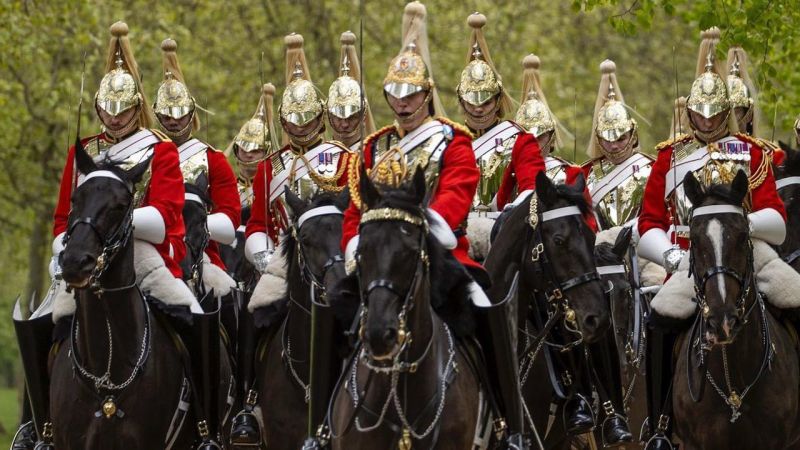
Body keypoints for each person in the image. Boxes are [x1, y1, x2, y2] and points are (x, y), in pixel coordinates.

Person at [340, 3, 527, 448]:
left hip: (440, 255)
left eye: (410, 95)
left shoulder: (453, 142)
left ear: (426, 95)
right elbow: (354, 209)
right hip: (380, 256)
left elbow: (456, 195)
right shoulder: (372, 148)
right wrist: (353, 247)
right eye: (395, 94)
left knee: (485, 307)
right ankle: (324, 422)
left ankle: (508, 422)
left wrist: (423, 229)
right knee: (330, 303)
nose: (402, 104)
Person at [13, 22, 193, 450]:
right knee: (40, 321)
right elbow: (62, 219)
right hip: (87, 249)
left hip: (142, 254)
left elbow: (167, 215)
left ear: (136, 107)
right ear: (98, 108)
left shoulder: (159, 148)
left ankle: (206, 423)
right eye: (107, 108)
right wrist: (72, 242)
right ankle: (35, 426)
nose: (114, 117)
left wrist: (122, 224)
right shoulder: (85, 152)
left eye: (122, 108)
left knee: (193, 314)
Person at [637, 27, 791, 450]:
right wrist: (670, 256)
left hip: (748, 251)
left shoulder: (753, 152)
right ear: (689, 113)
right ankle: (660, 425)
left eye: (714, 114)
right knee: (659, 318)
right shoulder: (669, 157)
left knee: (796, 299)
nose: (706, 122)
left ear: (727, 111)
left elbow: (775, 216)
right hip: (691, 256)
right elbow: (647, 220)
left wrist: (740, 230)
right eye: (699, 114)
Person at [230, 33, 353, 447]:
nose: (300, 129)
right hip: (285, 253)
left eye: (308, 121)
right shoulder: (268, 167)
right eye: (292, 122)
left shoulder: (343, 156)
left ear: (321, 118)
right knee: (255, 305)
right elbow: (259, 222)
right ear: (282, 122)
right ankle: (249, 399)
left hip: (333, 249)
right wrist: (263, 254)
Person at [153, 37, 244, 449]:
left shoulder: (213, 159)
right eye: (166, 116)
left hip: (199, 256)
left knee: (231, 302)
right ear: (155, 115)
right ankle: (40, 423)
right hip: (151, 252)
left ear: (193, 114)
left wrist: (199, 221)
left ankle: (231, 406)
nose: (174, 122)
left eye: (180, 115)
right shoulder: (146, 154)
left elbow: (232, 217)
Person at [455, 12, 545, 262]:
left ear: (498, 100)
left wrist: (512, 215)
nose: (478, 108)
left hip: (504, 230)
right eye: (471, 101)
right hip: (455, 232)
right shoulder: (449, 140)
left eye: (486, 100)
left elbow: (532, 186)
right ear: (461, 101)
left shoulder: (520, 139)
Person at [582, 60, 654, 233]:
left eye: (620, 139)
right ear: (598, 138)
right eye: (607, 139)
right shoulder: (587, 173)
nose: (614, 146)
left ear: (632, 135)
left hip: (643, 246)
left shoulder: (651, 168)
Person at [327, 31, 376, 152]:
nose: (344, 125)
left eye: (351, 117)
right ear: (329, 116)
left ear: (362, 115)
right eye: (338, 118)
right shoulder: (320, 156)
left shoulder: (375, 155)